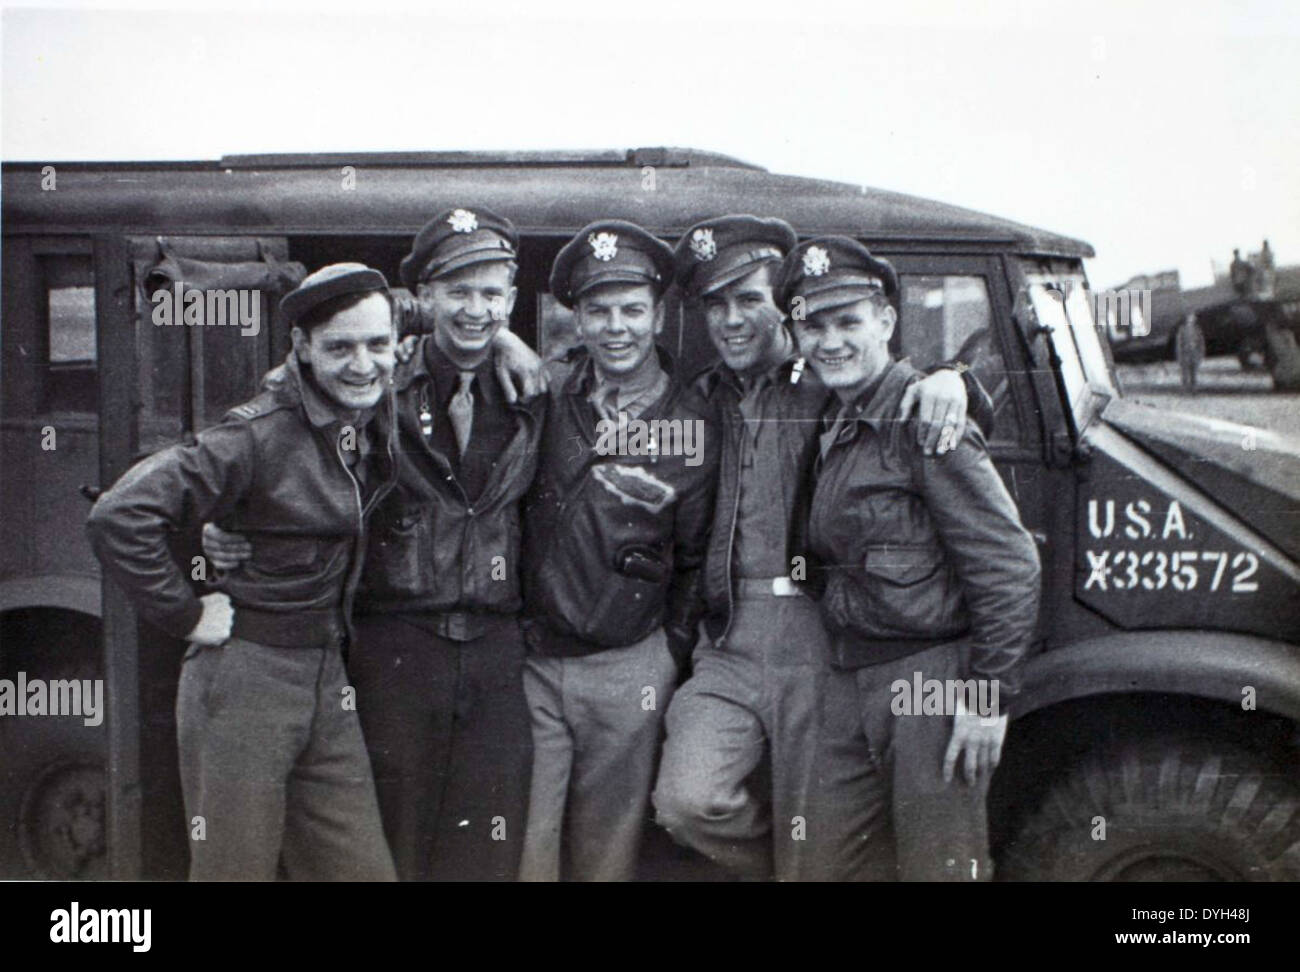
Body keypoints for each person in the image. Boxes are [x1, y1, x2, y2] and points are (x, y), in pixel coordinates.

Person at [204, 208, 547, 881]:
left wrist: (507, 341)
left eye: (492, 294)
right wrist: (223, 527)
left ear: (512, 300)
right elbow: (295, 383)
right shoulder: (376, 378)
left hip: (496, 648)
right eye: (458, 291)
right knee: (389, 841)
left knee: (486, 844)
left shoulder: (532, 388)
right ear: (422, 298)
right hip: (395, 646)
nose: (475, 311)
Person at [651, 216, 992, 880]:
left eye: (749, 299)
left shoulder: (826, 378)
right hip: (727, 640)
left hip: (818, 640)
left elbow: (904, 389)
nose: (732, 320)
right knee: (687, 801)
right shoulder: (702, 398)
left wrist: (956, 380)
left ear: (784, 304)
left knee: (821, 847)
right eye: (715, 305)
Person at [87, 263, 401, 881]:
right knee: (234, 871)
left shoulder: (366, 410)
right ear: (303, 349)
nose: (364, 364)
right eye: (340, 347)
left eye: (378, 344)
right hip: (246, 681)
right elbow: (120, 516)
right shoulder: (255, 434)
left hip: (326, 679)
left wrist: (501, 338)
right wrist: (187, 613)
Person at [777, 237, 1040, 881]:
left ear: (887, 322)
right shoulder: (837, 417)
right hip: (849, 673)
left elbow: (1008, 563)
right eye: (813, 326)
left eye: (848, 322)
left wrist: (985, 697)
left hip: (927, 679)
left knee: (939, 867)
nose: (830, 342)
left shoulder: (924, 419)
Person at [516, 220, 717, 881]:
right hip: (537, 663)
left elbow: (697, 553)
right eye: (597, 310)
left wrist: (669, 651)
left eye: (632, 309)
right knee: (527, 846)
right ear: (576, 317)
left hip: (630, 664)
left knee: (609, 855)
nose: (616, 327)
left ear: (659, 314)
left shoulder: (694, 419)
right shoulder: (544, 393)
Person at [1175, 312, 1205, 392]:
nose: (1192, 319)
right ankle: (1185, 388)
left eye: (1193, 318)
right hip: (1185, 353)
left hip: (1194, 353)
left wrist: (1200, 354)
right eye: (1191, 317)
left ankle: (1193, 388)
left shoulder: (1197, 330)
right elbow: (1179, 343)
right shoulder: (1182, 330)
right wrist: (1179, 354)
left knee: (1193, 372)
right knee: (1185, 372)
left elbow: (1201, 342)